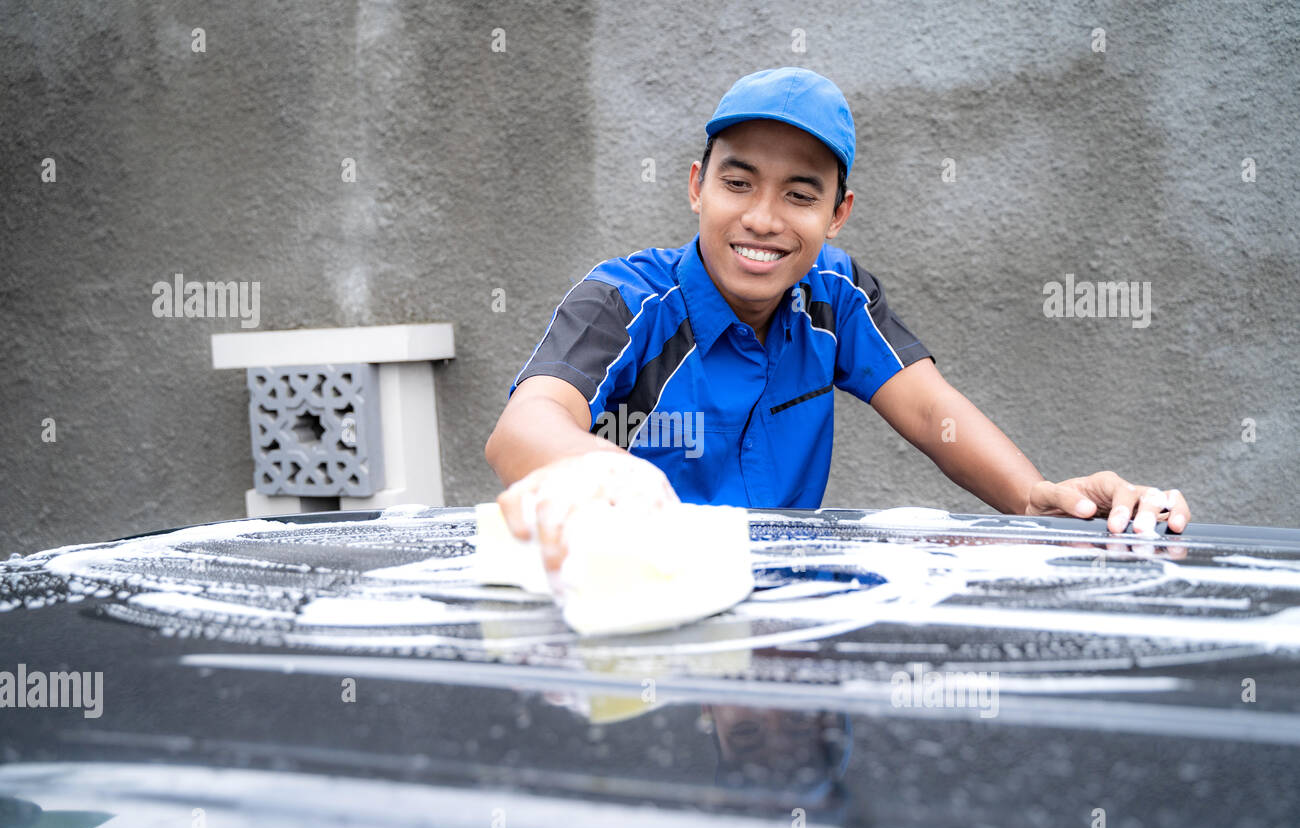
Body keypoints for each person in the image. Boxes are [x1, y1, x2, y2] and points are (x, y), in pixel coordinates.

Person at [485, 67, 1190, 578]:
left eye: (799, 194)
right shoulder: (624, 298)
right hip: (641, 611)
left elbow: (931, 411)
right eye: (738, 182)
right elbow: (521, 432)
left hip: (789, 626)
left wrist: (1038, 500)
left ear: (837, 213)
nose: (762, 217)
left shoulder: (835, 294)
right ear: (697, 186)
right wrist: (620, 480)